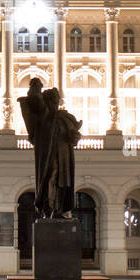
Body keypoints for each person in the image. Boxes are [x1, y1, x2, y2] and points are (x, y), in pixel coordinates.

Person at [39, 87, 82, 217]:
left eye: (55, 102)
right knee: (49, 180)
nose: (53, 105)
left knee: (63, 183)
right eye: (50, 102)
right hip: (49, 156)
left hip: (64, 156)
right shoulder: (43, 119)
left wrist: (74, 135)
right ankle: (49, 209)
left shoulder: (65, 118)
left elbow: (74, 138)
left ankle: (62, 210)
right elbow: (36, 138)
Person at [19, 79, 52, 216]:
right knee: (46, 175)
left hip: (47, 143)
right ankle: (45, 205)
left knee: (49, 177)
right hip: (44, 142)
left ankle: (47, 206)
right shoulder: (37, 102)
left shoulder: (43, 105)